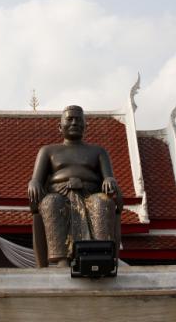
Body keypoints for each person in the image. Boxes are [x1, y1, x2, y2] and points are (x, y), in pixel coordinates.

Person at [28, 105, 122, 266]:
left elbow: (108, 177)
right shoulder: (48, 151)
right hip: (59, 195)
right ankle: (61, 260)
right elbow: (36, 179)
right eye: (69, 119)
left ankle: (100, 256)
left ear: (86, 126)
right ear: (60, 126)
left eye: (78, 120)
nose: (74, 123)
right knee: (51, 202)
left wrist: (109, 180)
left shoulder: (98, 151)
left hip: (90, 194)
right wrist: (33, 183)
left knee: (102, 202)